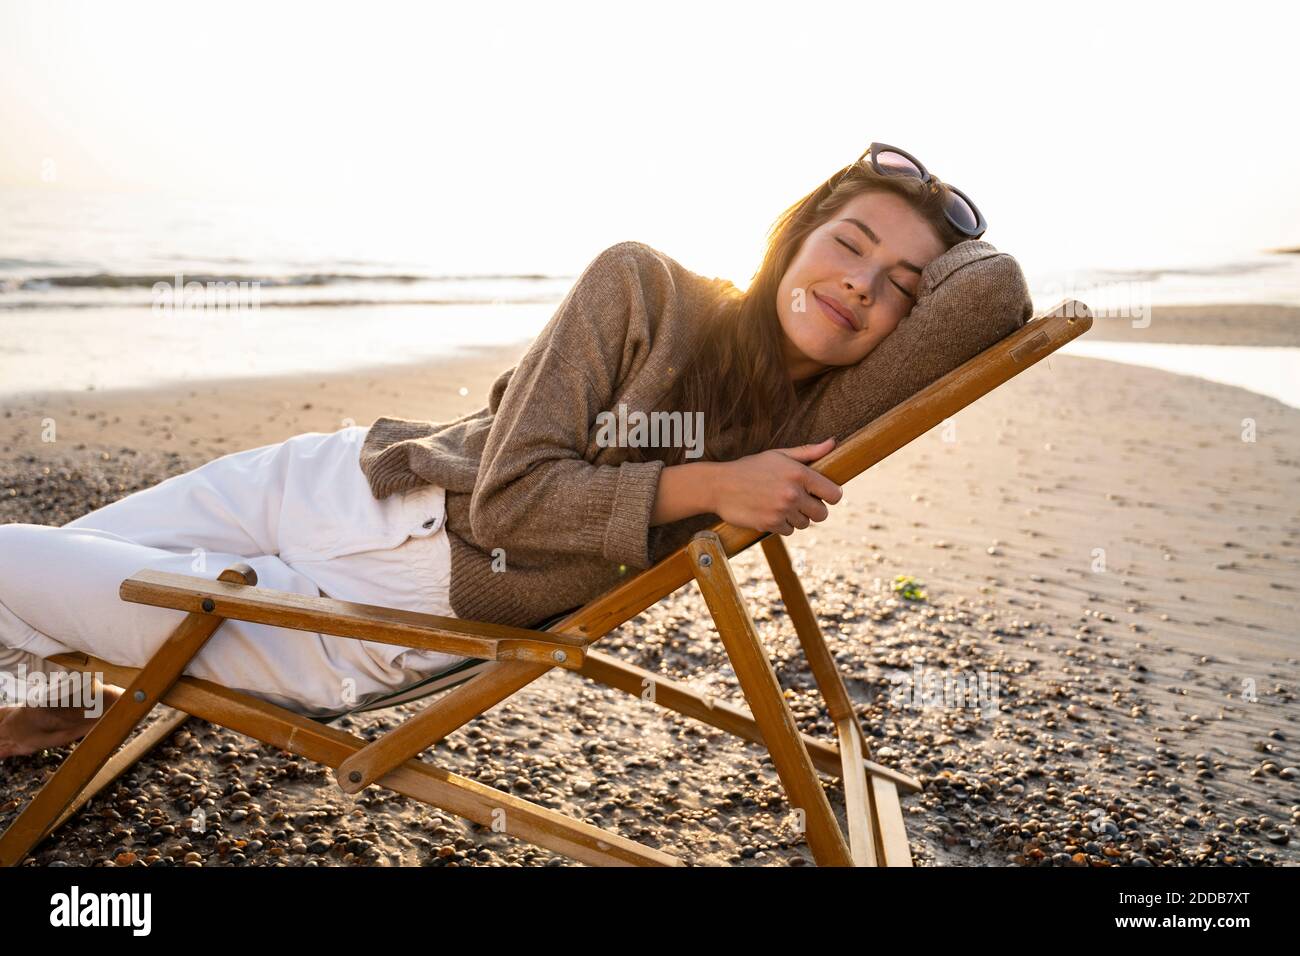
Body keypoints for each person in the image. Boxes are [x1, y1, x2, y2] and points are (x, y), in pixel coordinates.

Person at [0, 143, 1028, 757]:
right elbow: (508, 495)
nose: (862, 282)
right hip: (342, 480)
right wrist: (712, 483)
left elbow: (993, 290)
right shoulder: (647, 289)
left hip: (365, 618)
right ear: (792, 238)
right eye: (849, 243)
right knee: (45, 577)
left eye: (901, 281)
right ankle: (40, 700)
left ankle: (56, 685)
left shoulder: (817, 411)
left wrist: (935, 247)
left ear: (909, 322)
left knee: (9, 564)